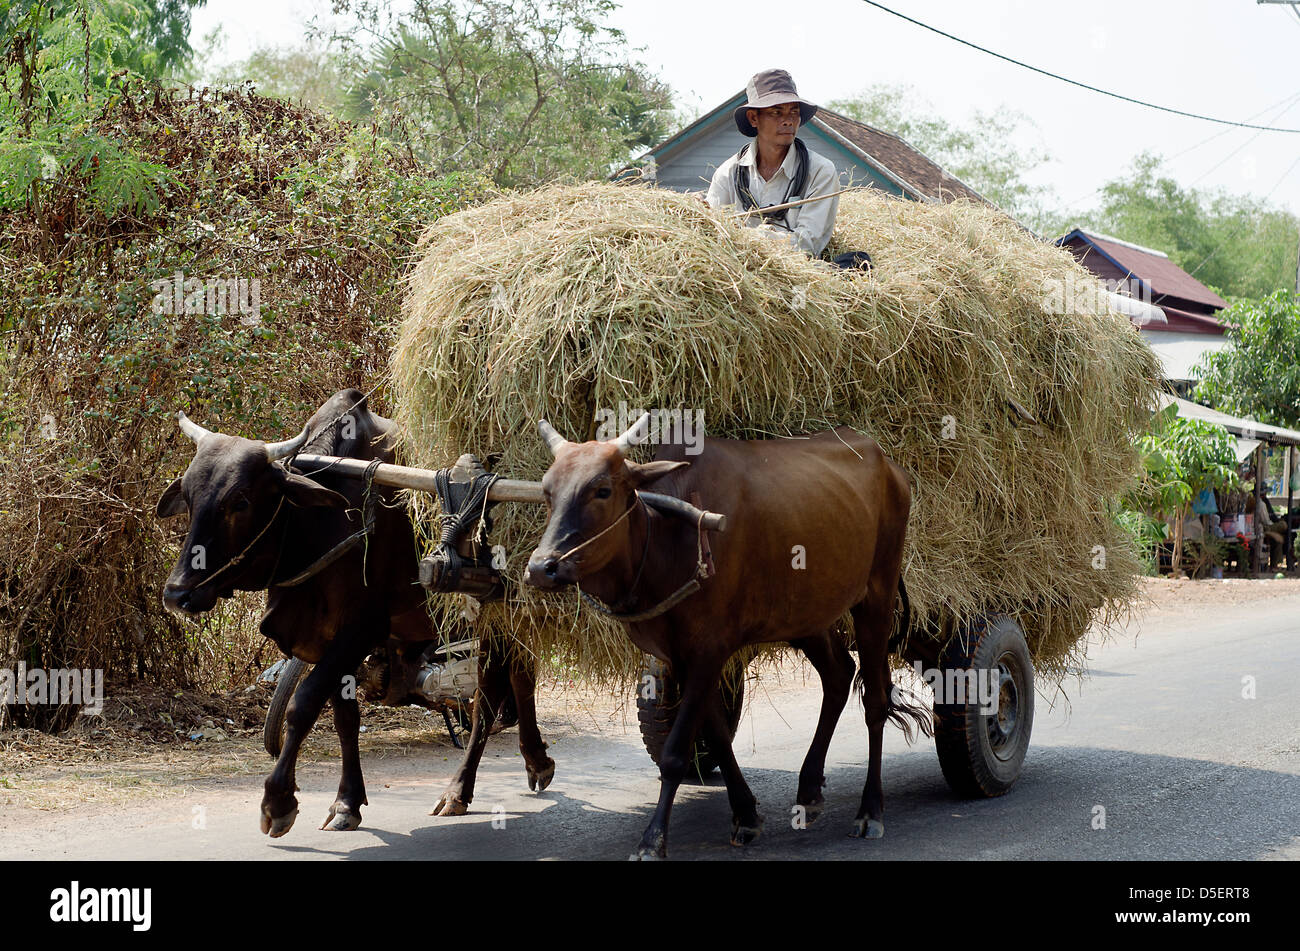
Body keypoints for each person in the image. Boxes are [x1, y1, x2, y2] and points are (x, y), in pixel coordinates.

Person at [706, 69, 868, 269]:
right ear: (753, 118)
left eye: (794, 112)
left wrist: (747, 239)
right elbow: (713, 236)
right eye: (776, 112)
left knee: (857, 263)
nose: (788, 120)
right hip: (738, 273)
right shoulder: (728, 174)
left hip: (796, 276)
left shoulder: (819, 172)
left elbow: (807, 244)